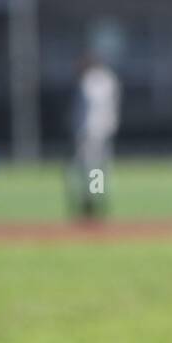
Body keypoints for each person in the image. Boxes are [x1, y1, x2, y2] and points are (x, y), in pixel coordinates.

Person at [67, 55, 121, 220]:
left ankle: (94, 202)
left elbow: (94, 103)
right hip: (102, 130)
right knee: (97, 169)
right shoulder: (108, 78)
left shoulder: (94, 80)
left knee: (93, 169)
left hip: (92, 131)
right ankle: (95, 200)